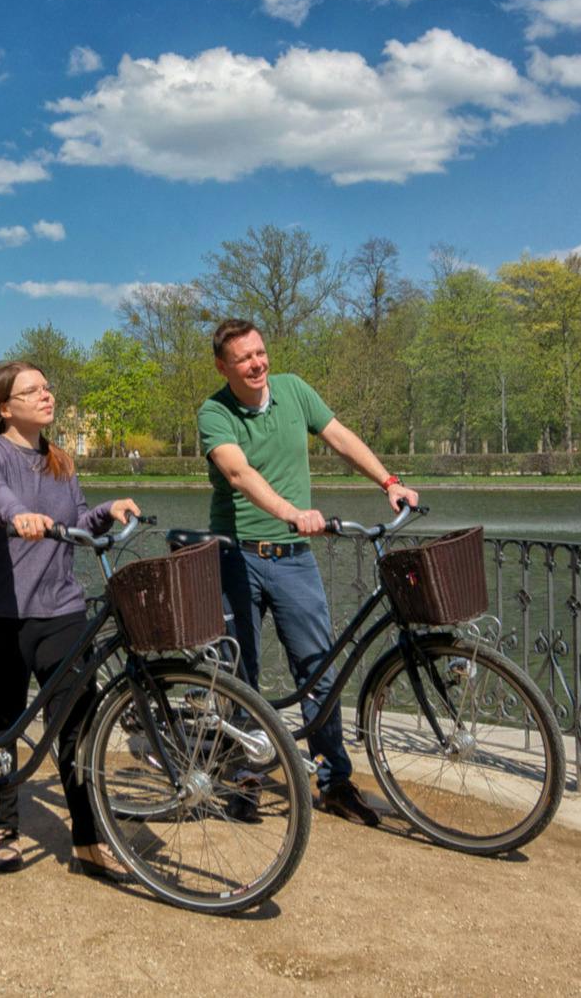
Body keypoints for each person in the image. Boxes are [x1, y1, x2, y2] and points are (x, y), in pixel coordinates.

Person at [198, 319, 420, 827]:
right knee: (240, 674)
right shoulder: (214, 412)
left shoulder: (294, 391)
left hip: (293, 557)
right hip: (235, 556)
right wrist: (289, 511)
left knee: (319, 671)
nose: (257, 364)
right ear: (222, 366)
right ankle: (245, 778)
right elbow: (238, 472)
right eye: (243, 358)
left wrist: (389, 481)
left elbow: (339, 436)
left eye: (260, 352)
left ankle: (335, 782)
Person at [0, 359, 140, 877]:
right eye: (32, 390)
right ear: (4, 407)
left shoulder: (60, 460)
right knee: (3, 725)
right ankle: (4, 826)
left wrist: (106, 511)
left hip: (60, 609)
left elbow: (74, 520)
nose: (47, 395)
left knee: (78, 724)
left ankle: (88, 839)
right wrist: (16, 515)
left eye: (47, 388)